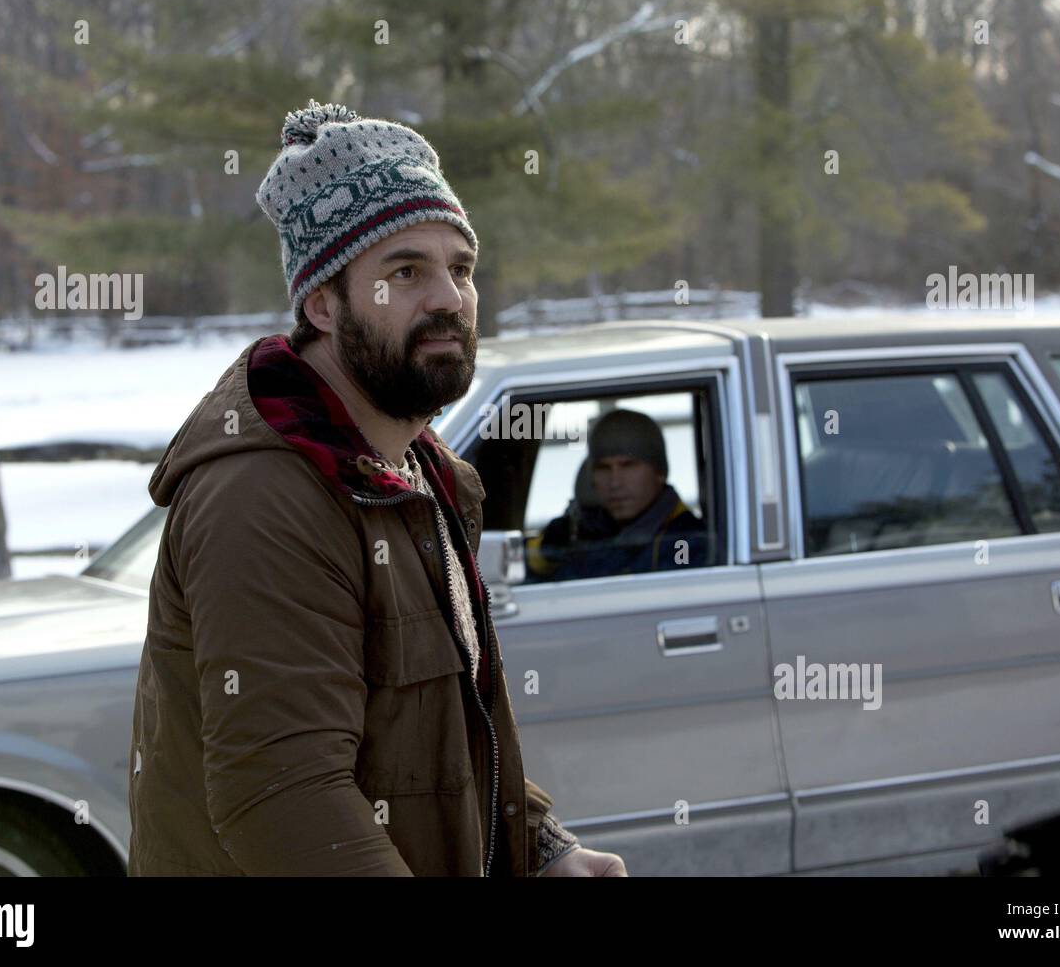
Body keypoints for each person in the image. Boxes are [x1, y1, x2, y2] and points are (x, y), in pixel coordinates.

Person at [127, 99, 625, 877]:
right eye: (405, 271)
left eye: (460, 268)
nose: (449, 299)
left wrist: (542, 848)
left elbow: (449, 735)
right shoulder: (264, 493)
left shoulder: (420, 475)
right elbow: (285, 794)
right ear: (321, 302)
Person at [526, 409, 710, 582]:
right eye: (603, 468)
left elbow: (680, 592)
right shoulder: (580, 528)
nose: (615, 482)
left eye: (628, 465)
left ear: (659, 472)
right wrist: (546, 551)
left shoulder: (684, 540)